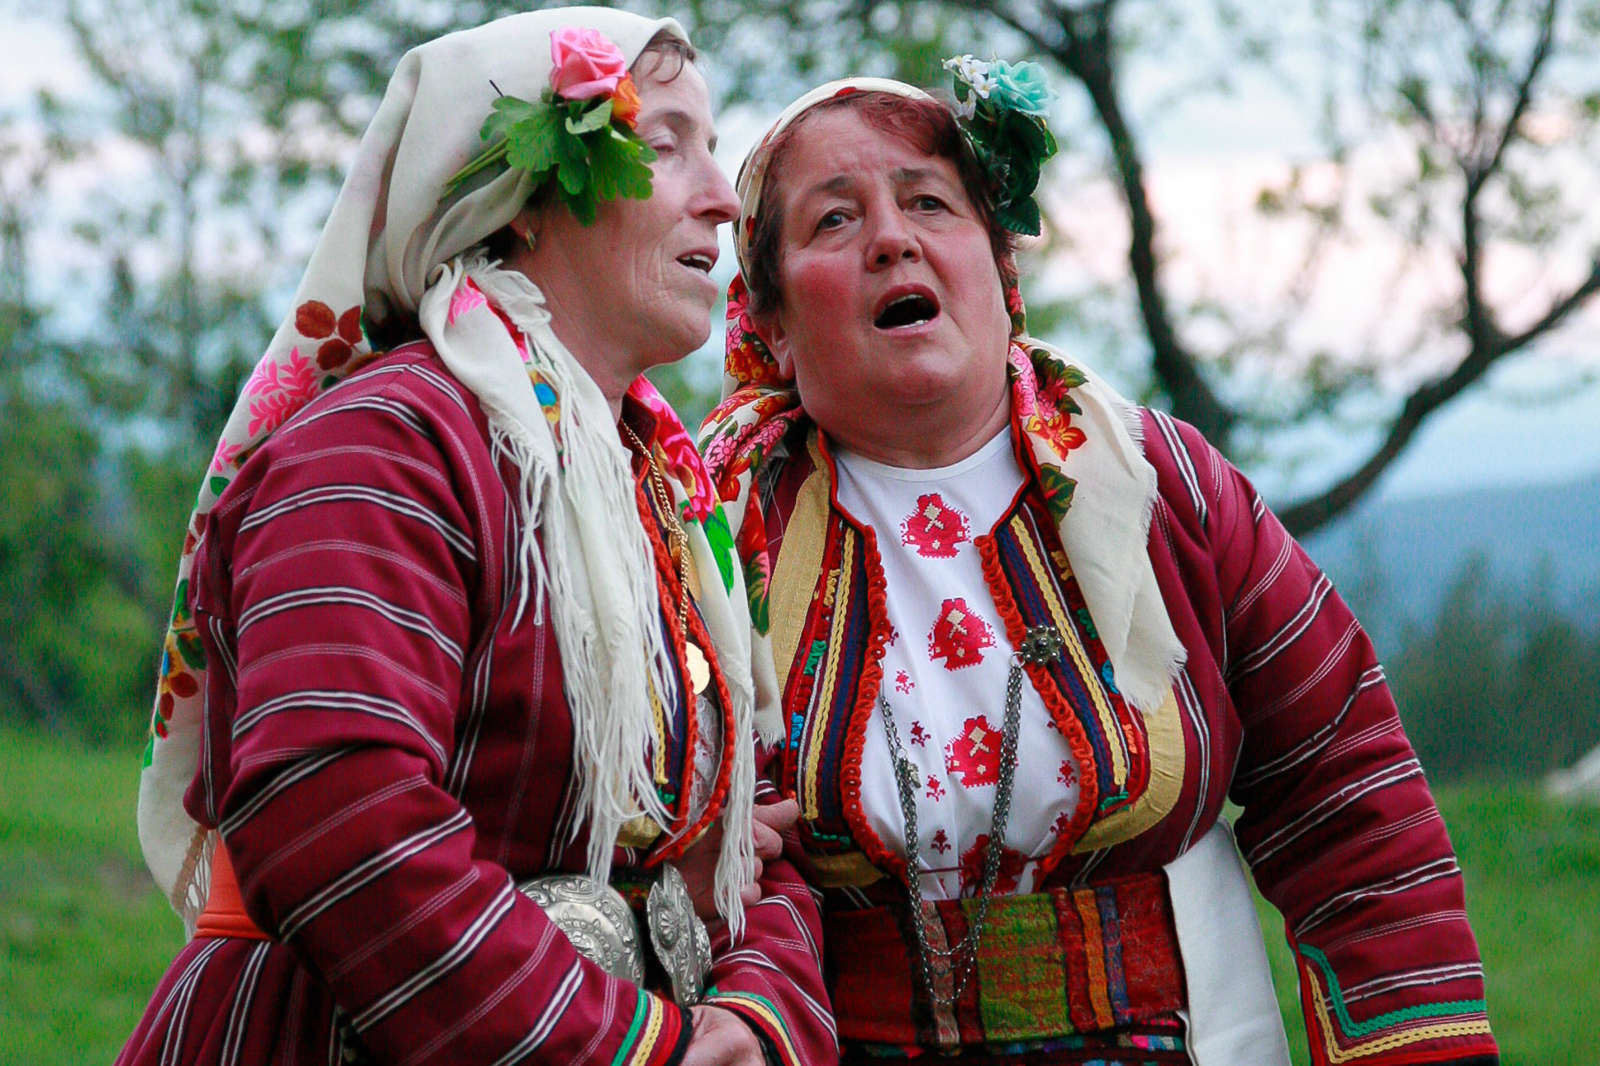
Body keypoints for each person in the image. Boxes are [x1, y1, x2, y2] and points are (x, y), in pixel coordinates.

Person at [699, 63, 1499, 1066]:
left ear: (1000, 267)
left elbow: (1347, 791)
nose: (893, 238)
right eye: (833, 220)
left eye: (929, 202)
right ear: (769, 323)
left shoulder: (1163, 486)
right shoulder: (714, 536)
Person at [120, 9, 833, 1066]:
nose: (723, 198)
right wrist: (633, 1045)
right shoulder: (381, 446)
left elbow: (759, 829)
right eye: (666, 143)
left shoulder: (659, 485)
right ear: (524, 196)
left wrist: (750, 1024)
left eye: (712, 146)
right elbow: (334, 807)